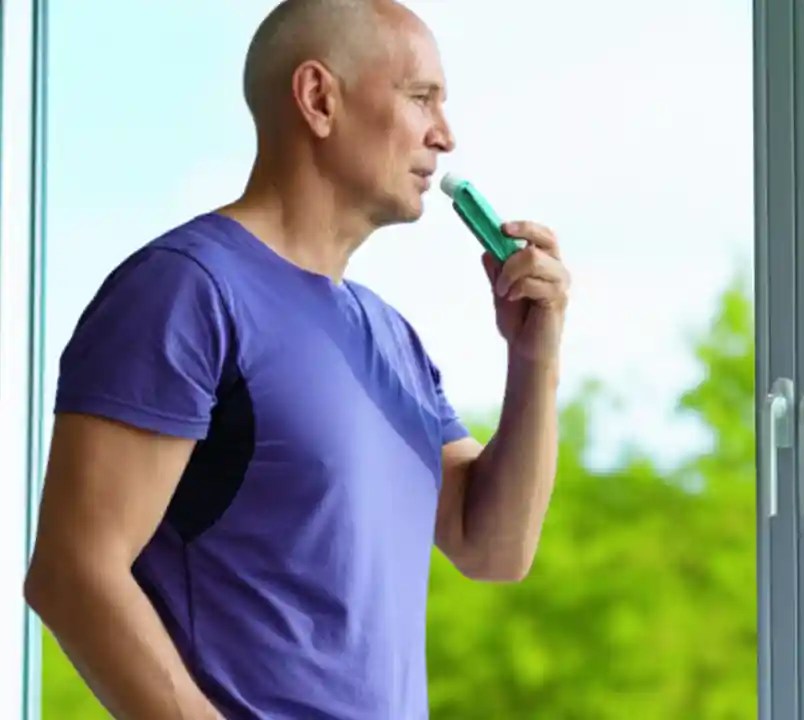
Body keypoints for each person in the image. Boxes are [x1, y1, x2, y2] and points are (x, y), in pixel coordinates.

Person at [23, 0, 570, 717]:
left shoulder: (392, 338)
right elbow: (72, 572)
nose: (445, 134)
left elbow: (493, 547)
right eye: (421, 97)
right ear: (318, 98)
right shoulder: (186, 291)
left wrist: (534, 359)